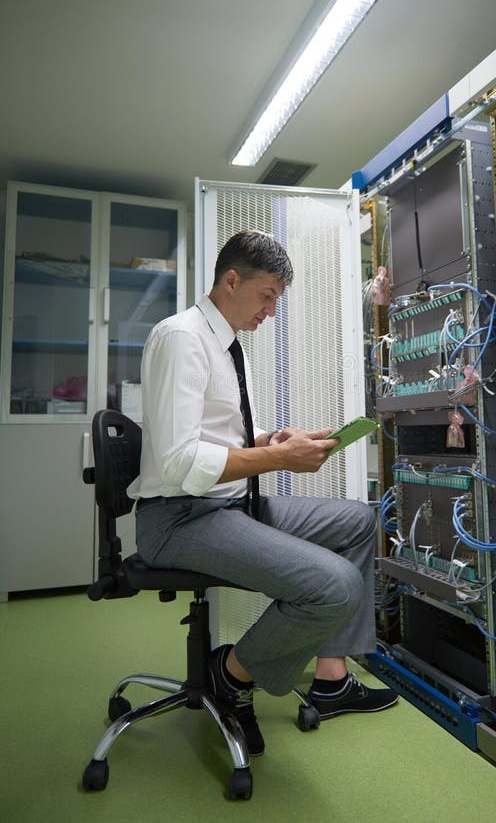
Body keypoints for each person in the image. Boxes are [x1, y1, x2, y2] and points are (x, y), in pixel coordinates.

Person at [127, 230, 397, 757]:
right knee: (336, 586)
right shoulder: (180, 338)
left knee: (359, 521)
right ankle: (232, 674)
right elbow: (180, 463)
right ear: (231, 281)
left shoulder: (227, 346)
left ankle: (331, 679)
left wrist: (274, 440)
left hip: (223, 503)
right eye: (267, 296)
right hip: (177, 519)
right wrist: (278, 458)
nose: (271, 311)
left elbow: (215, 442)